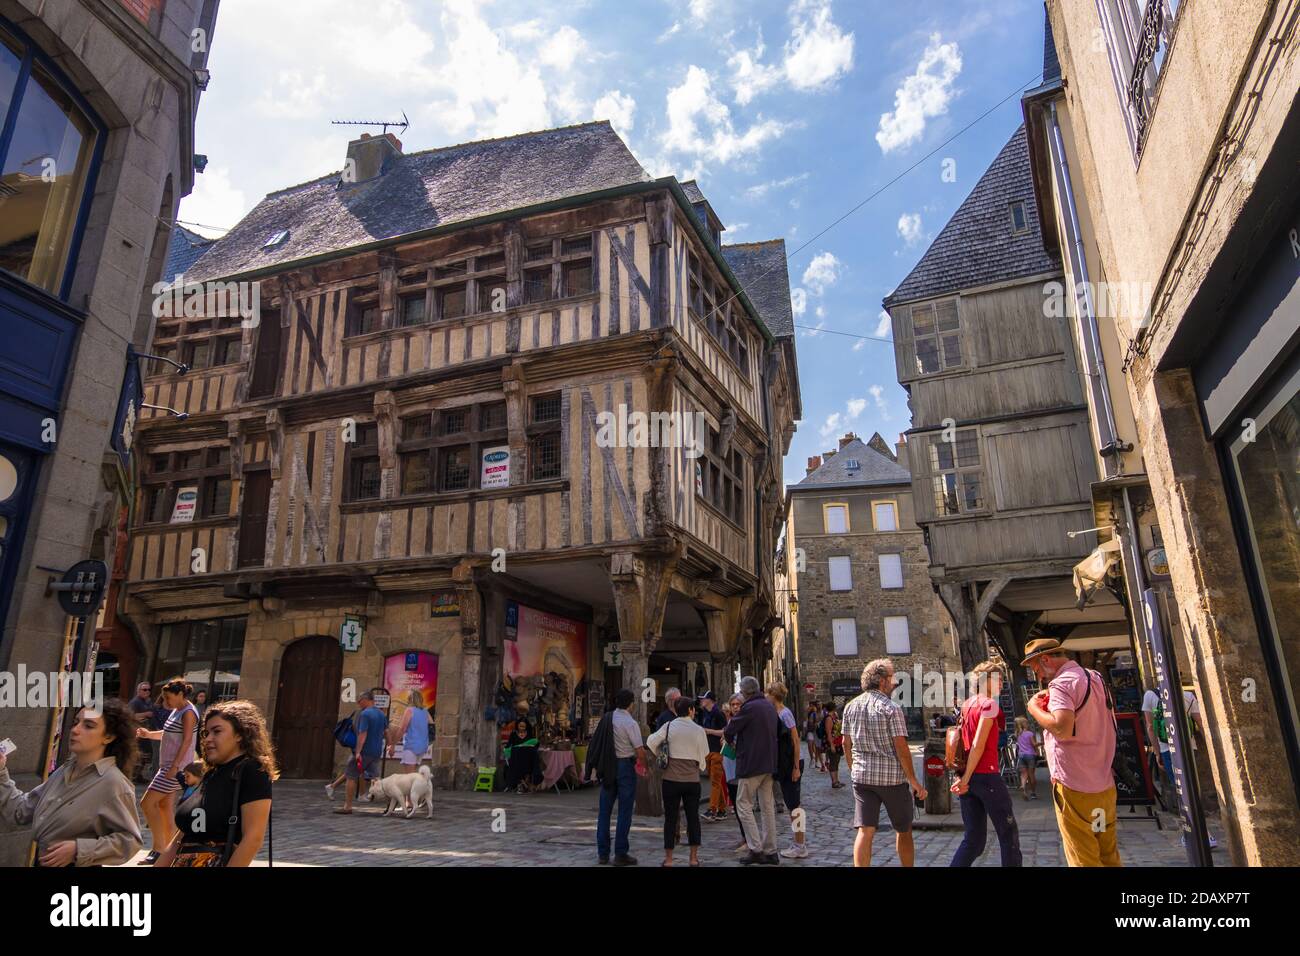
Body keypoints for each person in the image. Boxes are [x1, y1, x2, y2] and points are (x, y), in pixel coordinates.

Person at [0, 700, 142, 867]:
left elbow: (130, 840)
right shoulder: (64, 771)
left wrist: (78, 850)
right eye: (76, 722)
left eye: (88, 726)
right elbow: (20, 811)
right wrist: (1, 771)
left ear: (108, 737)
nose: (75, 730)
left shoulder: (113, 782)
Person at [1023, 639, 1121, 867]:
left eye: (1036, 668)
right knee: (1106, 853)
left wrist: (1034, 708)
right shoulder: (1095, 677)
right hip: (1103, 786)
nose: (1038, 675)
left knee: (1083, 857)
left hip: (1075, 788)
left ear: (1046, 659)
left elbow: (1062, 729)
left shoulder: (1061, 685)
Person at [157, 699, 277, 867]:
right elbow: (182, 836)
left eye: (217, 731)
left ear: (240, 734)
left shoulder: (251, 770)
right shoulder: (210, 774)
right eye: (206, 733)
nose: (207, 739)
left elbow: (253, 838)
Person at [841, 659, 927, 868]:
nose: (895, 682)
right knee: (903, 829)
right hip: (892, 780)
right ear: (881, 681)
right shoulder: (891, 708)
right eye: (892, 677)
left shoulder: (851, 707)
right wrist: (914, 781)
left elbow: (845, 743)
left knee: (865, 830)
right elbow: (902, 749)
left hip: (863, 778)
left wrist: (853, 769)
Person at [949, 662, 1022, 867]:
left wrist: (964, 777)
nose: (1002, 684)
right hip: (986, 776)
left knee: (973, 841)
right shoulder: (989, 705)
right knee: (1008, 834)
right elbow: (977, 745)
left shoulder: (966, 705)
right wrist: (966, 777)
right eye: (998, 679)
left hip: (969, 778)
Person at [134, 676, 199, 864]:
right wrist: (148, 734)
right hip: (168, 765)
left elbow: (187, 740)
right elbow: (168, 733)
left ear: (180, 694)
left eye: (169, 698)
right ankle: (171, 852)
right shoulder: (176, 710)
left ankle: (159, 848)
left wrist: (176, 766)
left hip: (174, 767)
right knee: (164, 808)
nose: (166, 702)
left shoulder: (188, 712)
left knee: (147, 803)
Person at [646, 696, 709, 866]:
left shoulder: (668, 726)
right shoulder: (698, 730)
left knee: (670, 819)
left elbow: (651, 741)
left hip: (671, 779)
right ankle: (693, 858)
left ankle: (669, 859)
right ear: (690, 710)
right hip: (692, 780)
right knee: (693, 818)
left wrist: (660, 754)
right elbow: (704, 754)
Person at [724, 675, 779, 865]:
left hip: (752, 763)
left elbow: (730, 730)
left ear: (745, 692)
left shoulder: (749, 707)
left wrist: (733, 743)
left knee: (743, 804)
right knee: (767, 807)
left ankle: (755, 848)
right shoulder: (768, 706)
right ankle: (771, 850)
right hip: (769, 763)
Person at [767, 682, 808, 860]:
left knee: (794, 806)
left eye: (767, 694)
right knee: (792, 805)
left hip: (792, 763)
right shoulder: (776, 713)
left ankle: (800, 845)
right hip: (785, 763)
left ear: (773, 695)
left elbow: (796, 740)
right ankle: (798, 843)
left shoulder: (785, 714)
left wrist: (796, 767)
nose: (765, 697)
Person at [335, 691, 386, 815]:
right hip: (376, 751)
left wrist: (358, 752)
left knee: (351, 776)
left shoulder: (365, 714)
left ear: (367, 700)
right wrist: (391, 745)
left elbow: (362, 734)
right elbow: (387, 731)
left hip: (364, 751)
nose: (358, 702)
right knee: (377, 778)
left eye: (360, 700)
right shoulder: (381, 714)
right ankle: (389, 804)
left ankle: (348, 806)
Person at [698, 692, 730, 821]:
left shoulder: (719, 714)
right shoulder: (703, 714)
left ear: (710, 700)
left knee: (715, 781)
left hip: (717, 750)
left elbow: (725, 731)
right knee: (714, 781)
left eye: (703, 699)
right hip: (708, 750)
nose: (701, 701)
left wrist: (709, 731)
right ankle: (722, 810)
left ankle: (712, 810)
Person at [394, 690, 431, 773]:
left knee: (410, 776)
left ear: (410, 699)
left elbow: (402, 728)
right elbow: (431, 725)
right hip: (423, 746)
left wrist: (393, 744)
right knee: (414, 774)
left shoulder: (409, 710)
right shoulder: (425, 711)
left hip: (411, 746)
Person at [504, 717, 541, 793]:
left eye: (523, 726)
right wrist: (506, 750)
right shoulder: (513, 734)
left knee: (533, 759)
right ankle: (521, 784)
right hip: (517, 757)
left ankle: (527, 783)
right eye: (520, 726)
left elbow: (535, 744)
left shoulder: (529, 734)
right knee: (516, 762)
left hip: (527, 758)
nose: (522, 728)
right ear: (517, 725)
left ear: (526, 726)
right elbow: (508, 745)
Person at [128, 682, 155, 783]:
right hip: (137, 733)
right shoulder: (135, 702)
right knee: (138, 755)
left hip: (145, 733)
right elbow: (130, 715)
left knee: (144, 755)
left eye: (149, 689)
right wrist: (146, 714)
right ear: (138, 691)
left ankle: (138, 775)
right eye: (144, 689)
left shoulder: (147, 701)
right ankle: (132, 776)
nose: (147, 691)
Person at [1014, 717, 1040, 800]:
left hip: (1021, 755)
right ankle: (1033, 793)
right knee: (1031, 774)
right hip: (1030, 755)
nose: (1028, 724)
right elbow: (1034, 744)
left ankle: (1023, 786)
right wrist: (1041, 743)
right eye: (1027, 723)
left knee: (1024, 774)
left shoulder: (1017, 734)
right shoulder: (1029, 734)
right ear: (1024, 724)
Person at [822, 700, 845, 789]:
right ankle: (834, 782)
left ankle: (836, 780)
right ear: (833, 708)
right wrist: (831, 745)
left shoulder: (833, 716)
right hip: (832, 743)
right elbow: (828, 733)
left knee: (836, 761)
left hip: (836, 742)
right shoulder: (829, 718)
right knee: (833, 762)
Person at [804, 703, 824, 772]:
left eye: (820, 704)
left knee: (817, 747)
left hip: (818, 732)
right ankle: (812, 758)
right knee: (810, 744)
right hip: (811, 730)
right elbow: (808, 722)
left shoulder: (823, 713)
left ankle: (816, 761)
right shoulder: (812, 714)